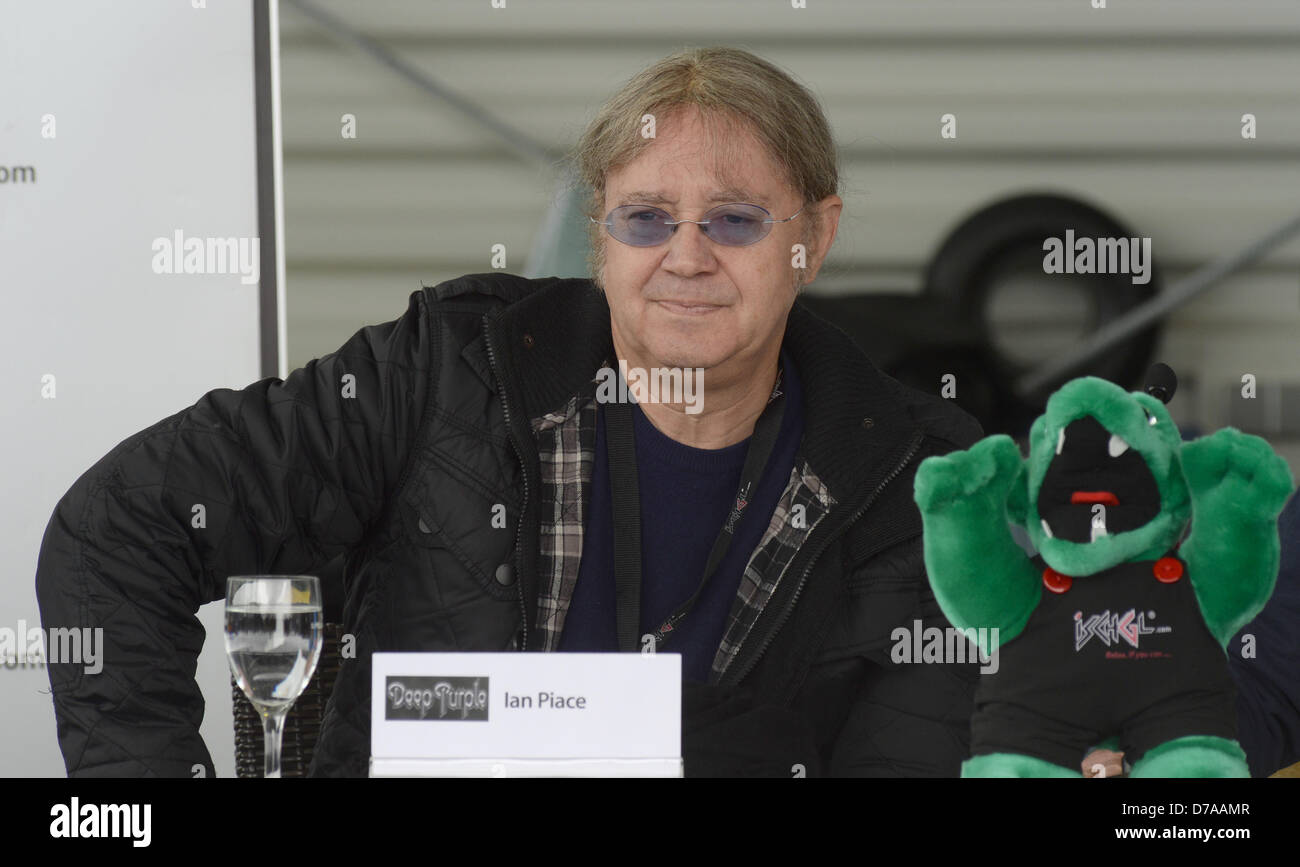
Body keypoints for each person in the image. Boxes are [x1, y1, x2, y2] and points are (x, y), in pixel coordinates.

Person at [34, 45, 985, 777]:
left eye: (734, 220)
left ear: (811, 240)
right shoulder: (450, 369)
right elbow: (120, 526)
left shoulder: (922, 482)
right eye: (645, 218)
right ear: (600, 239)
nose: (685, 257)